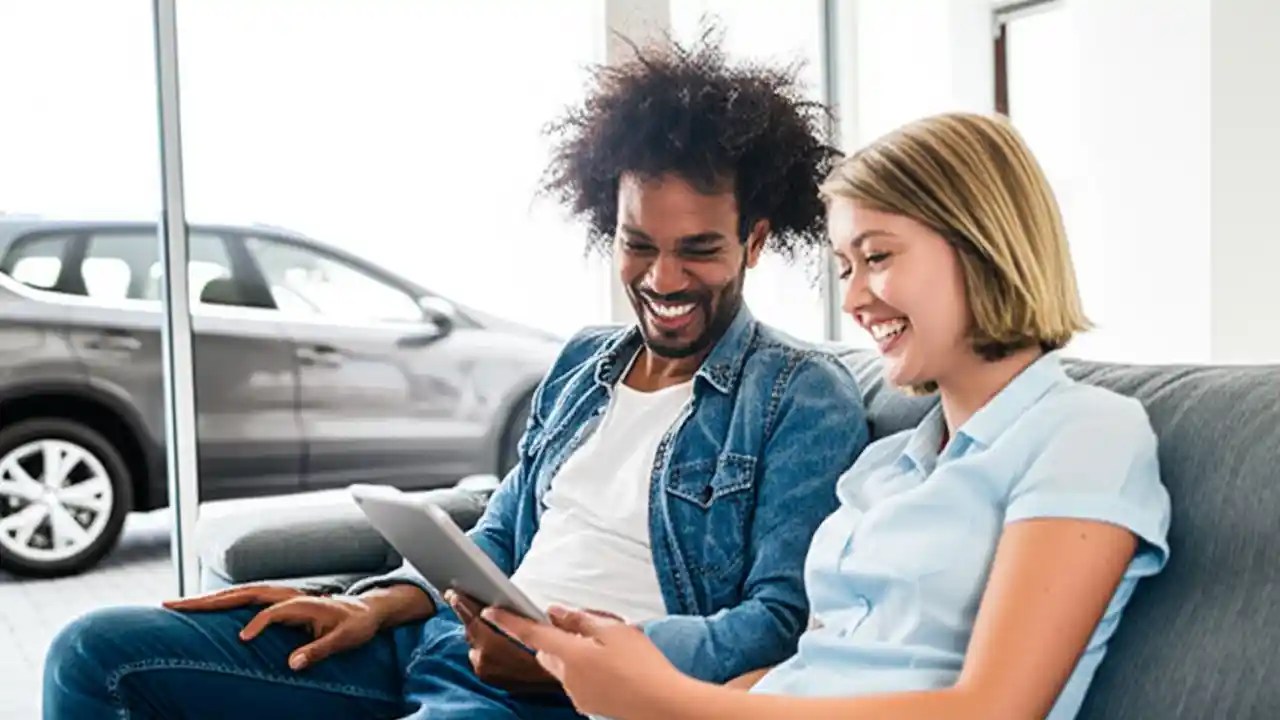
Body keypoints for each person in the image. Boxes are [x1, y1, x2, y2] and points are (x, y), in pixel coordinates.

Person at [42, 35, 870, 720]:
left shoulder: (799, 397)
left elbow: (781, 622)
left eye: (699, 250)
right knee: (97, 654)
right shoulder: (587, 363)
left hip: (554, 694)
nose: (661, 279)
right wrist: (373, 602)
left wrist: (553, 659)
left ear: (755, 241)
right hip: (440, 643)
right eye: (639, 244)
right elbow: (503, 535)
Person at [489, 112, 1173, 720]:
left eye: (877, 257)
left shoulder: (1084, 434)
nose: (854, 302)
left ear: (982, 245)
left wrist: (667, 698)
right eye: (845, 267)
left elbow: (991, 708)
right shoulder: (888, 469)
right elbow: (804, 675)